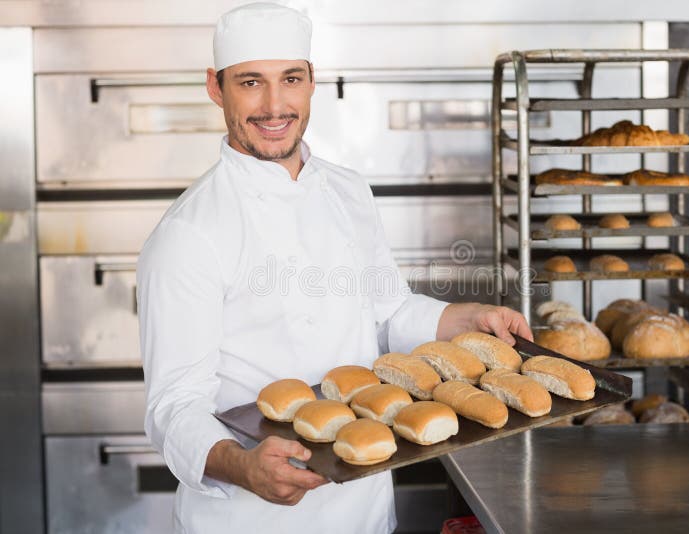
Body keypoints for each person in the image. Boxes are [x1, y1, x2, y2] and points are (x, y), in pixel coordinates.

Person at [137, 3, 533, 533]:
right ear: (216, 87)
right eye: (251, 82)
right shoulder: (188, 233)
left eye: (290, 79)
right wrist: (243, 465)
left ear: (312, 81)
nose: (274, 105)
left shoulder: (348, 190)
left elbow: (388, 310)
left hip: (364, 508)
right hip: (248, 521)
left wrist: (468, 318)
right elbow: (174, 405)